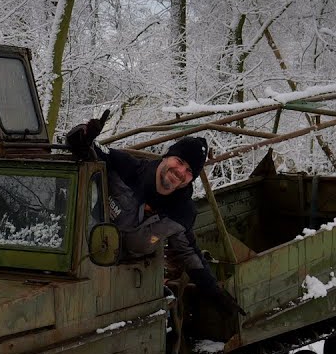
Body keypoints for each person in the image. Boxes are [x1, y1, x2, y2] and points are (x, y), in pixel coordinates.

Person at [64, 112, 243, 315]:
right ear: (167, 156)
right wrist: (83, 135)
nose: (180, 172)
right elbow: (83, 148)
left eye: (189, 171)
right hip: (85, 265)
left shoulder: (181, 212)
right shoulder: (126, 167)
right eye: (179, 162)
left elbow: (189, 253)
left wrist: (215, 293)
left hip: (129, 285)